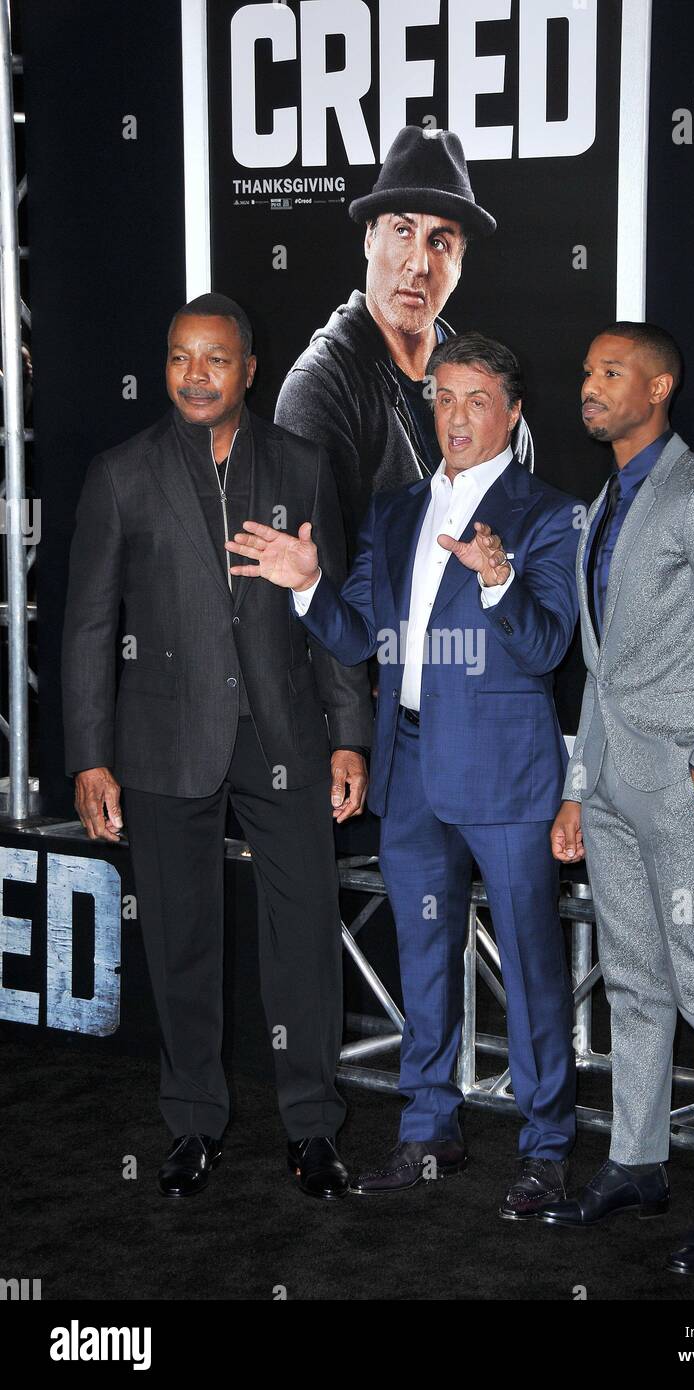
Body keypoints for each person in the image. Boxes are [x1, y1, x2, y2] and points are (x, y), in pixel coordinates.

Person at [228, 332, 582, 1220]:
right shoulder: (392, 513)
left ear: (510, 414)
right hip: (411, 767)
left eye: (473, 400)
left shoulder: (547, 513)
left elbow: (546, 648)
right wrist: (307, 585)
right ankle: (429, 1132)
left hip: (505, 776)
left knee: (534, 969)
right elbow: (357, 638)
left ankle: (546, 1149)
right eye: (442, 398)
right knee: (422, 957)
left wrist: (498, 577)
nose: (455, 417)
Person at [61, 293, 372, 1200]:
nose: (194, 374)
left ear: (249, 370)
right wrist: (89, 756)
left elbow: (331, 611)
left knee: (305, 938)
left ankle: (312, 1129)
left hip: (285, 734)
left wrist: (348, 735)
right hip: (162, 741)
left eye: (214, 359)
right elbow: (85, 627)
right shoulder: (120, 473)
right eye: (178, 357)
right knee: (181, 938)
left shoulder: (305, 462)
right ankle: (193, 1122)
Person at [539, 322, 694, 1274]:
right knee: (634, 983)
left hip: (684, 788)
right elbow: (598, 666)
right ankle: (637, 1162)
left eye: (610, 373)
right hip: (607, 782)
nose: (590, 387)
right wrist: (576, 783)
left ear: (661, 386)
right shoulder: (604, 503)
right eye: (587, 371)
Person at [275, 125, 533, 554]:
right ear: (369, 238)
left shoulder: (488, 385)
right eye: (402, 230)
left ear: (459, 263)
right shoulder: (319, 388)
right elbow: (320, 579)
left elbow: (519, 545)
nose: (418, 264)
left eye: (438, 241)